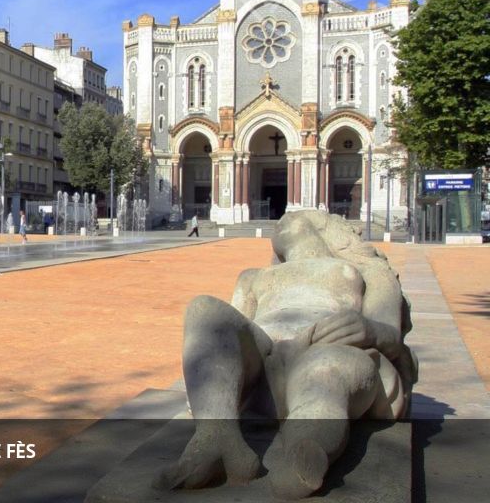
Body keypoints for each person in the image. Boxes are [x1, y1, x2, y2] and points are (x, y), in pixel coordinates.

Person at [160, 210, 416, 498]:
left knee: (326, 371)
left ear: (328, 227)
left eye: (294, 216)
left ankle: (305, 452)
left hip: (326, 348)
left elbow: (391, 335)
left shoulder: (368, 271)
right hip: (263, 361)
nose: (284, 220)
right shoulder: (253, 277)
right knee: (203, 309)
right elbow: (232, 332)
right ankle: (217, 439)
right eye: (280, 220)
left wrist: (369, 329)